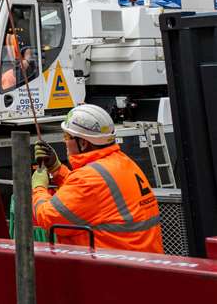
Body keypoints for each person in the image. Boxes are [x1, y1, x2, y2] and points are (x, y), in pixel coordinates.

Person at [32, 103, 163, 253]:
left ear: (83, 143)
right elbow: (89, 198)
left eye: (67, 136)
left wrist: (38, 188)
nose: (64, 141)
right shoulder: (121, 161)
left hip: (112, 268)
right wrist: (57, 169)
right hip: (142, 262)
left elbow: (49, 217)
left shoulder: (89, 179)